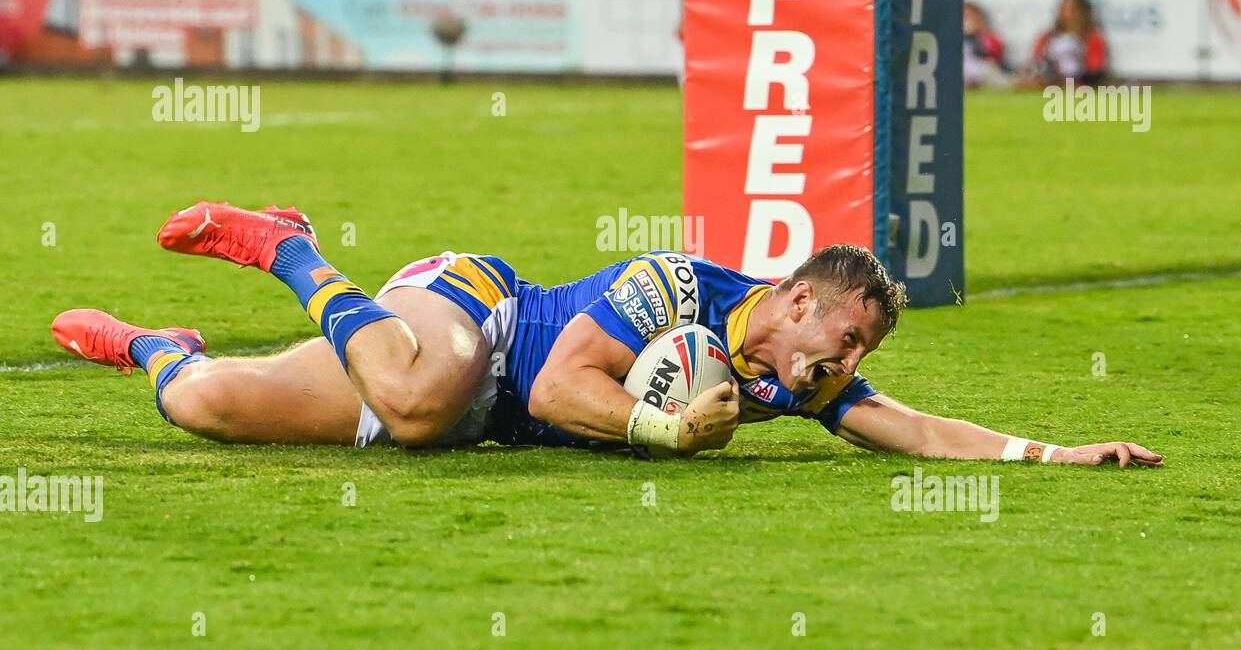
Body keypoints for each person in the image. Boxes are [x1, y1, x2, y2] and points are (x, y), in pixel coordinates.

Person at [50, 201, 1163, 468]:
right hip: (475, 312)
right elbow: (553, 389)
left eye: (861, 352)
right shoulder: (673, 281)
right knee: (424, 402)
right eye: (849, 334)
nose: (850, 363)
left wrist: (1057, 453)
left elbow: (918, 431)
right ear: (789, 296)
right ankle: (291, 245)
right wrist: (666, 430)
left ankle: (148, 341)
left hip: (465, 406)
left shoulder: (797, 379)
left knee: (199, 404)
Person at [1023, 0, 1108, 87]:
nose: (1067, 14)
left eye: (1073, 10)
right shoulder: (1047, 37)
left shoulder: (1093, 38)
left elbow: (1095, 70)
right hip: (1050, 82)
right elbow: (1036, 62)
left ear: (1083, 12)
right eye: (1064, 9)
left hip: (1080, 84)